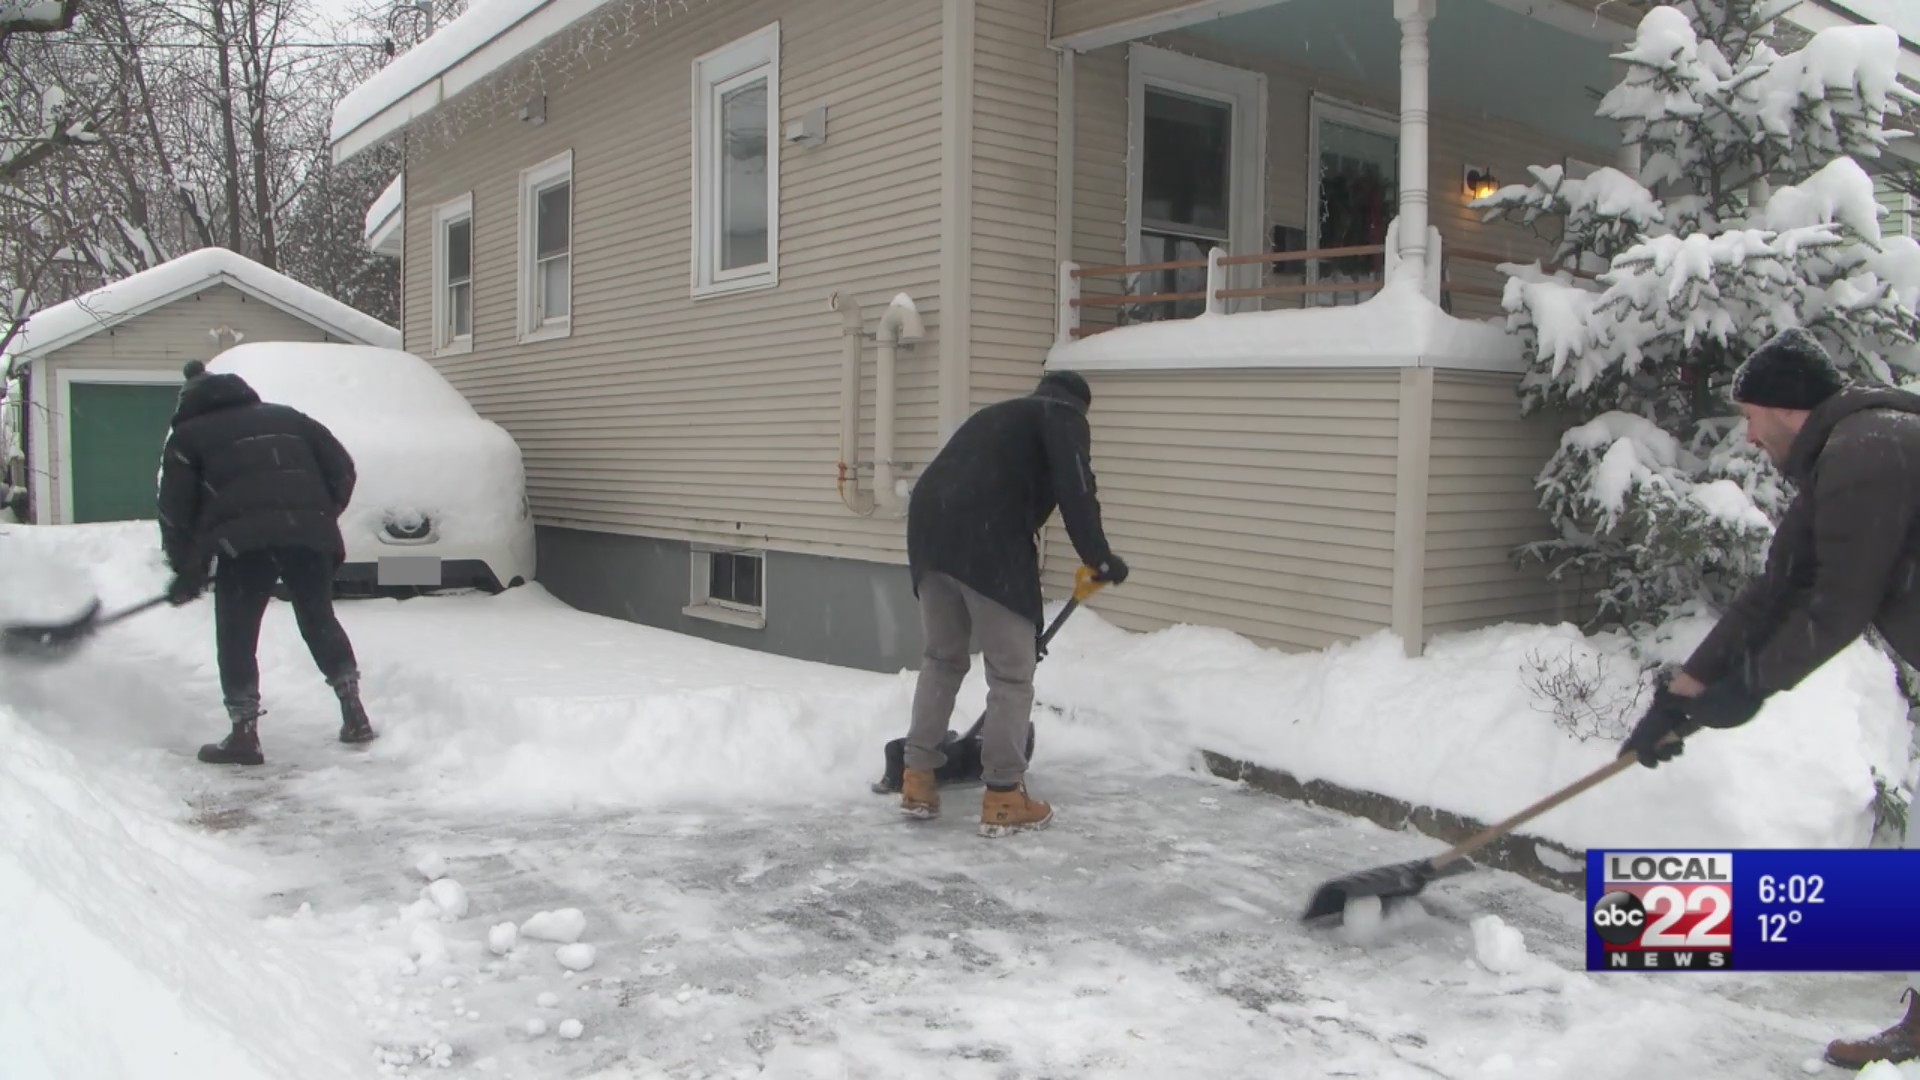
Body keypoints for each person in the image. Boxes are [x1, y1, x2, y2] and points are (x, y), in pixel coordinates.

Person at [1620, 328, 1920, 1069]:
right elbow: (1777, 587)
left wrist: (1747, 690)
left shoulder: (1869, 451)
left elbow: (1838, 607)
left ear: (1788, 408)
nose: (1749, 437)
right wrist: (1680, 696)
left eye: (1751, 417)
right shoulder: (1847, 453)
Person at [898, 368, 1128, 837]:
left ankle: (917, 778)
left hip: (928, 532)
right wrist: (1099, 558)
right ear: (1079, 405)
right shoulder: (1062, 417)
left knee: (941, 658)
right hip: (988, 540)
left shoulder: (1001, 416)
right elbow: (1076, 490)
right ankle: (1004, 796)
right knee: (1011, 674)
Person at [157, 358, 376, 765]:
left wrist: (186, 568)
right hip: (307, 537)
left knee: (237, 630)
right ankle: (354, 712)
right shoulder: (287, 417)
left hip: (245, 545)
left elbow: (176, 511)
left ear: (189, 403)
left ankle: (244, 734)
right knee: (318, 618)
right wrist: (319, 513)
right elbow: (342, 468)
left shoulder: (188, 437)